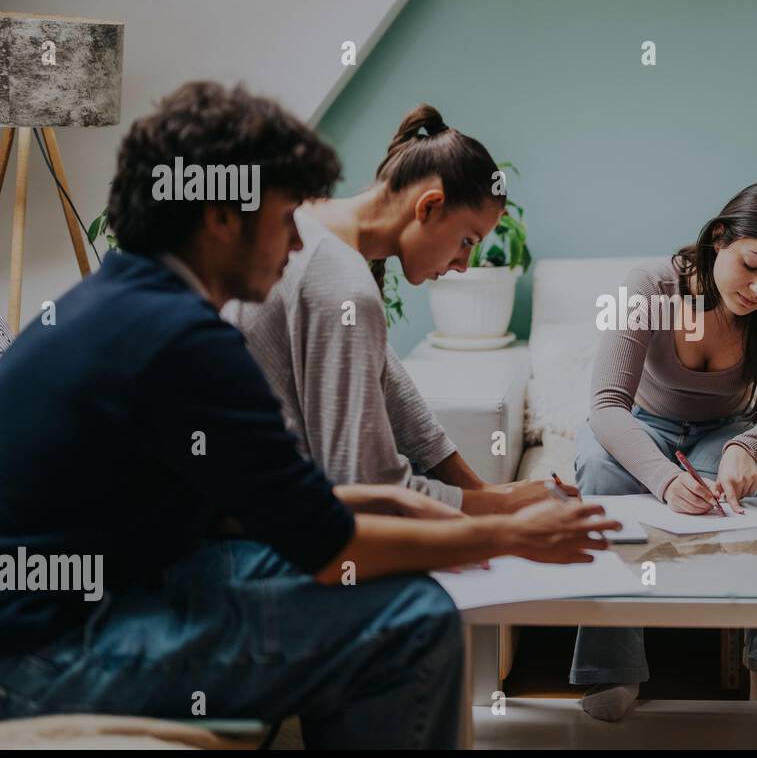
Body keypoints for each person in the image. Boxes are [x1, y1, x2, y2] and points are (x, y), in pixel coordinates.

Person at [0, 82, 618, 748]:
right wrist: (509, 537)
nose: (298, 243)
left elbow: (266, 506)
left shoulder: (124, 298)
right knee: (412, 620)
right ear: (220, 215)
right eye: (287, 216)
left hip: (109, 590)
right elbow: (329, 551)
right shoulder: (182, 340)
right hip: (55, 651)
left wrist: (413, 506)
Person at [226, 103, 575, 512]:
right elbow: (368, 488)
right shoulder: (340, 281)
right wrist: (500, 510)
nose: (463, 265)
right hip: (264, 532)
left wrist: (484, 491)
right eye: (467, 240)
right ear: (428, 206)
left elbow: (391, 387)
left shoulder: (314, 227)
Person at [572, 178, 757, 721]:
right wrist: (664, 479)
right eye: (751, 266)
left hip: (725, 431)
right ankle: (614, 671)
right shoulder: (650, 286)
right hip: (642, 426)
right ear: (719, 238)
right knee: (599, 469)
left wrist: (747, 446)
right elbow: (607, 405)